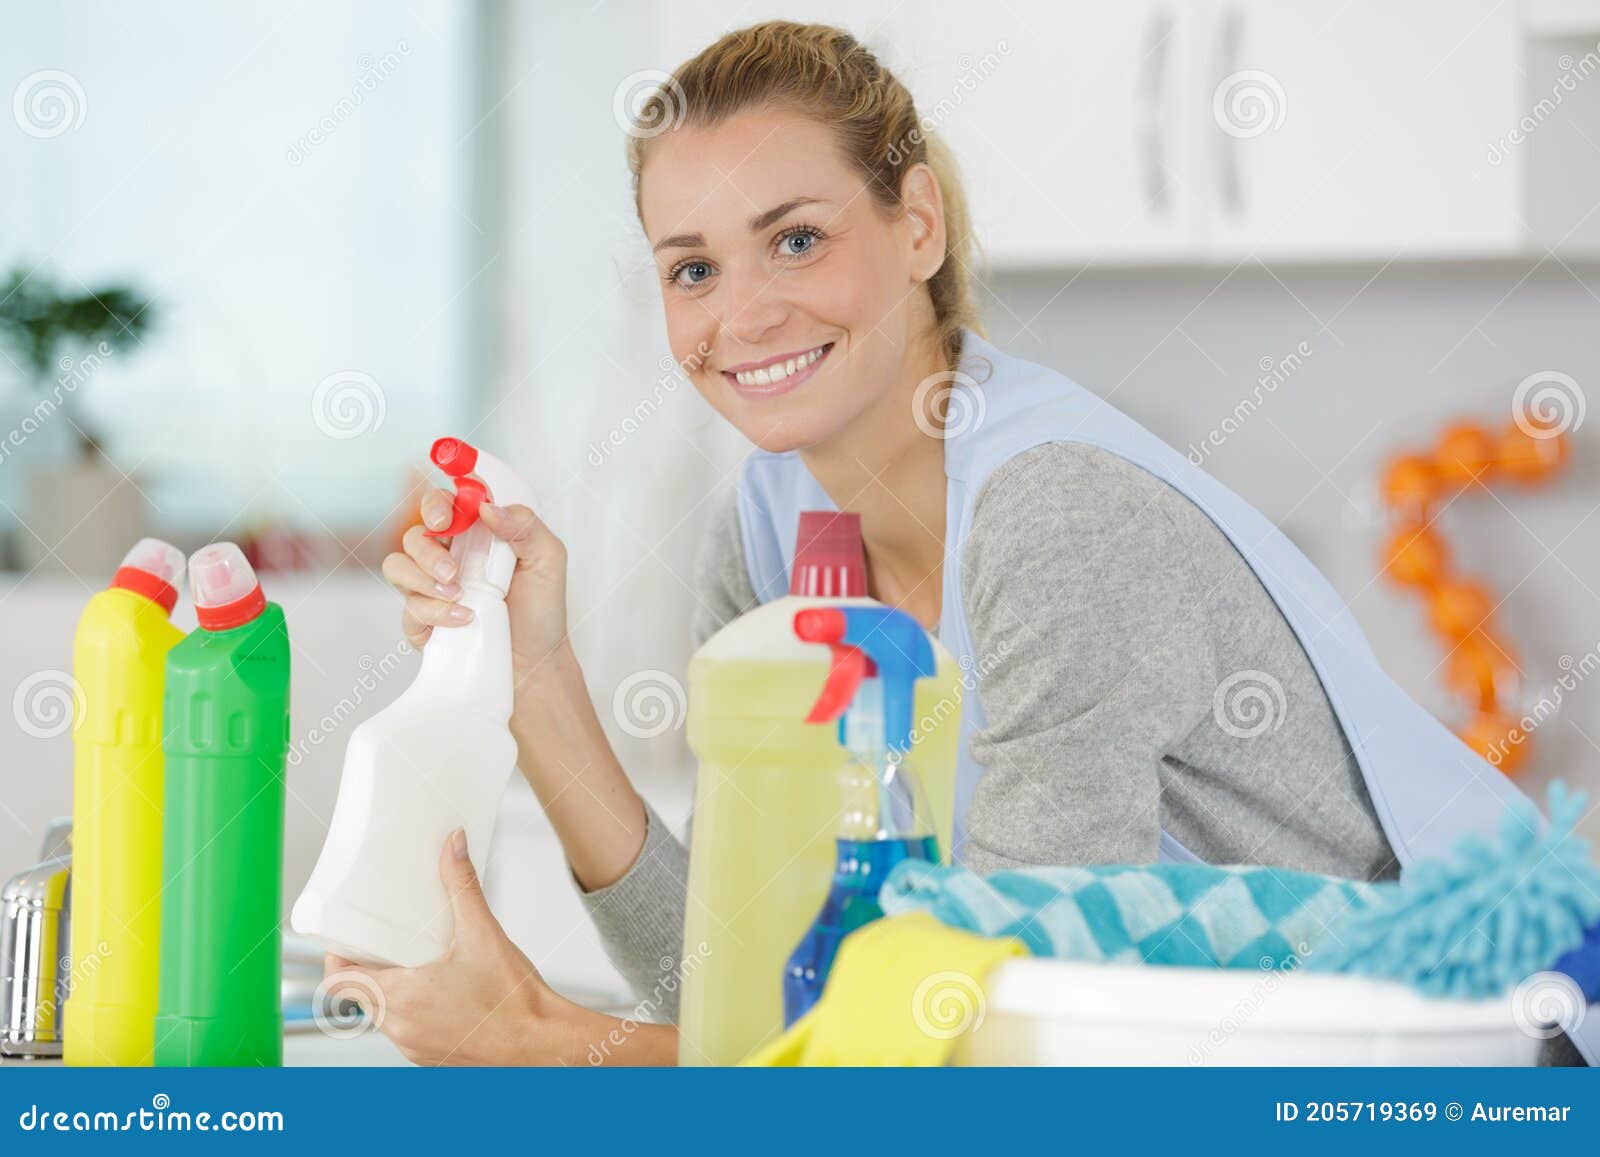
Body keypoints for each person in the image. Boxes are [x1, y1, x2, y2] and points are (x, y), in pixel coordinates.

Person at [342, 20, 1419, 1067]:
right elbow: (737, 978)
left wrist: (548, 1041)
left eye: (795, 240)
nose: (743, 315)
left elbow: (974, 1052)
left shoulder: (1057, 517)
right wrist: (534, 673)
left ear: (918, 227)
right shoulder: (767, 531)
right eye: (693, 269)